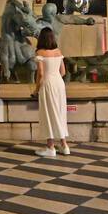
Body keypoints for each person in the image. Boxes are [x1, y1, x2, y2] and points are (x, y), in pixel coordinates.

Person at [33, 28, 70, 157]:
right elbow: (63, 72)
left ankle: (50, 147)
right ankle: (64, 146)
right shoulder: (58, 51)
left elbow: (41, 73)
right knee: (60, 113)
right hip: (59, 84)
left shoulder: (40, 52)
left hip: (47, 84)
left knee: (48, 114)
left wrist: (36, 89)